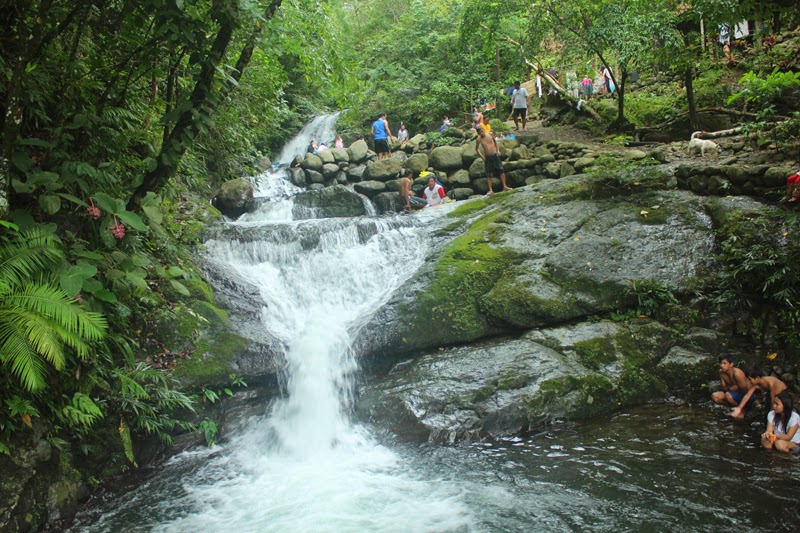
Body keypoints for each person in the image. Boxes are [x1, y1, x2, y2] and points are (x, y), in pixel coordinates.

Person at [475, 126, 511, 195]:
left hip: (495, 154)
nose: (481, 133)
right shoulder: (478, 139)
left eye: (482, 131)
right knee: (488, 174)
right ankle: (491, 190)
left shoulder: (490, 134)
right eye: (479, 132)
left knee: (501, 170)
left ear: (483, 130)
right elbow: (476, 149)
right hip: (487, 157)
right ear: (478, 133)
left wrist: (498, 150)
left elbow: (495, 142)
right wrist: (482, 157)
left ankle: (505, 186)